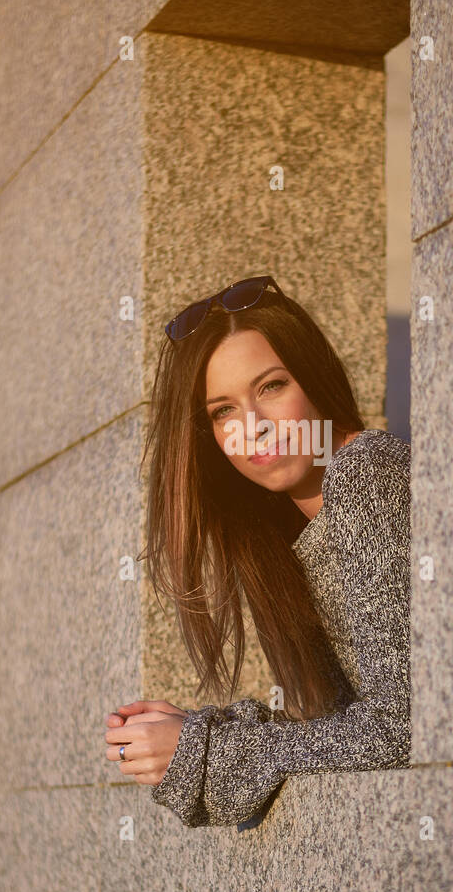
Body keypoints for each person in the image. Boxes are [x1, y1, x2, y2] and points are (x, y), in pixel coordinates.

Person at [104, 274, 411, 827]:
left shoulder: (367, 474)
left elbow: (402, 727)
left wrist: (204, 753)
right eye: (223, 412)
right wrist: (198, 736)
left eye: (271, 387)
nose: (254, 428)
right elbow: (344, 728)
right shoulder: (293, 529)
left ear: (313, 378)